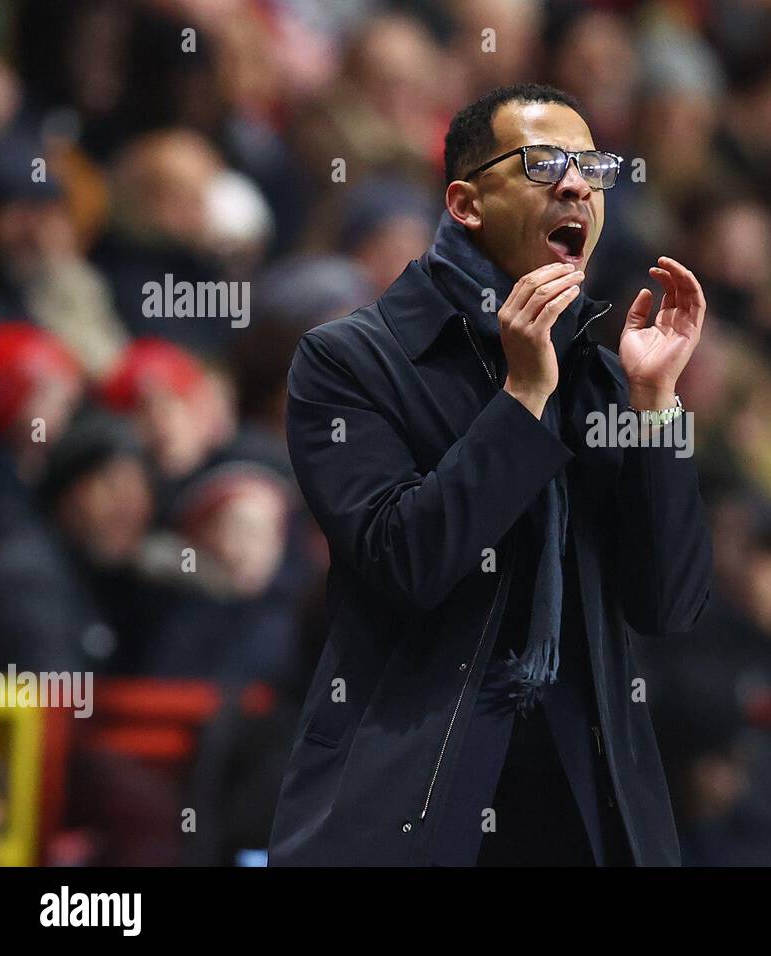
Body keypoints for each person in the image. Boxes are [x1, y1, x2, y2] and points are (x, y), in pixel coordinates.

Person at [268, 83, 713, 866]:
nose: (577, 184)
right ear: (466, 204)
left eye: (591, 167)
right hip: (412, 799)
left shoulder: (604, 377)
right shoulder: (352, 361)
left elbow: (669, 603)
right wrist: (522, 399)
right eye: (543, 163)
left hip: (590, 803)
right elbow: (409, 562)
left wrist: (654, 405)